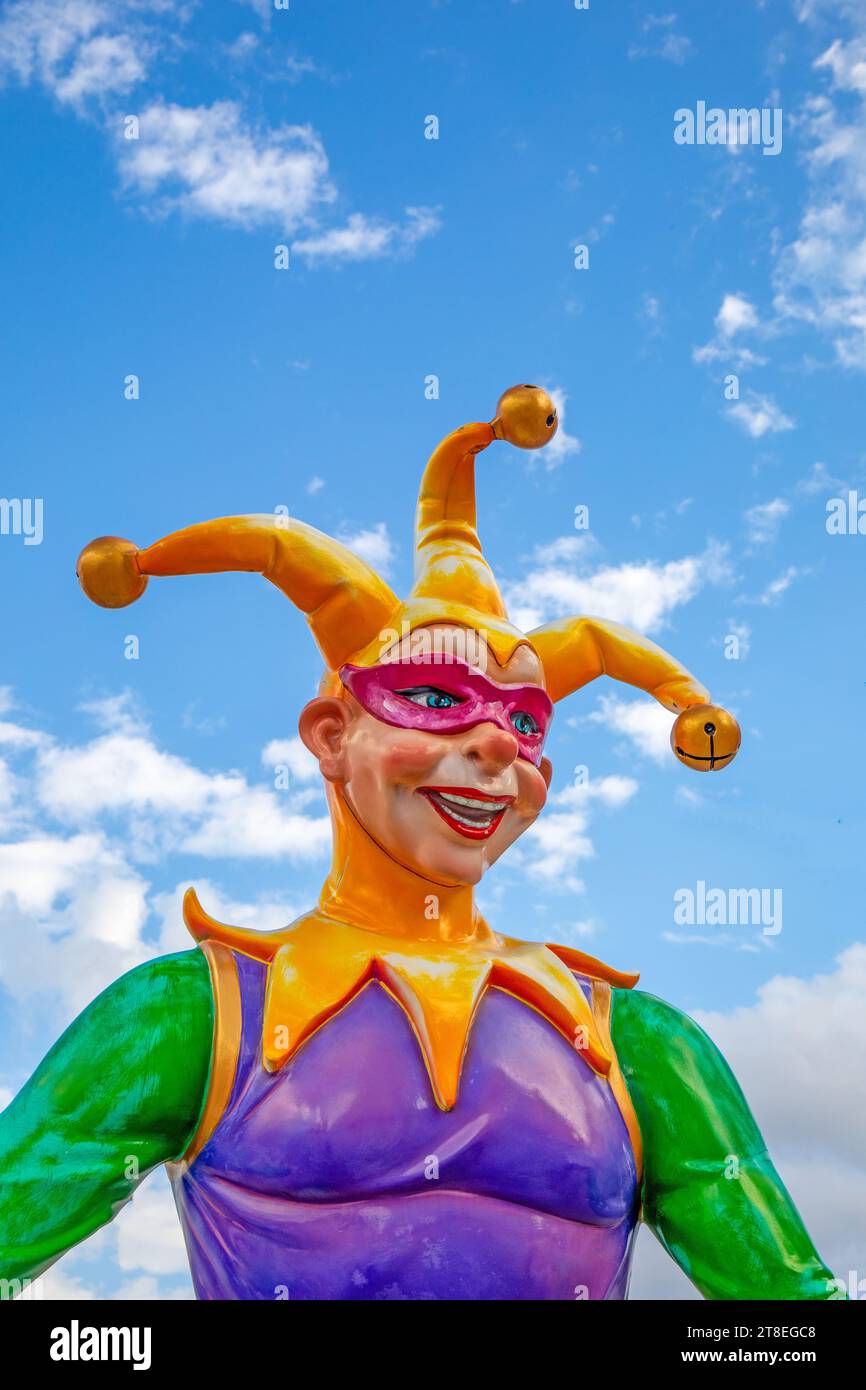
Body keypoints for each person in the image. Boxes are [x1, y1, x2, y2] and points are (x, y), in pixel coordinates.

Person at [0, 386, 836, 1300]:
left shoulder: (642, 1045)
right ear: (330, 737)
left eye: (524, 721)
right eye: (435, 699)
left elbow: (790, 1321)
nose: (493, 745)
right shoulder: (186, 1018)